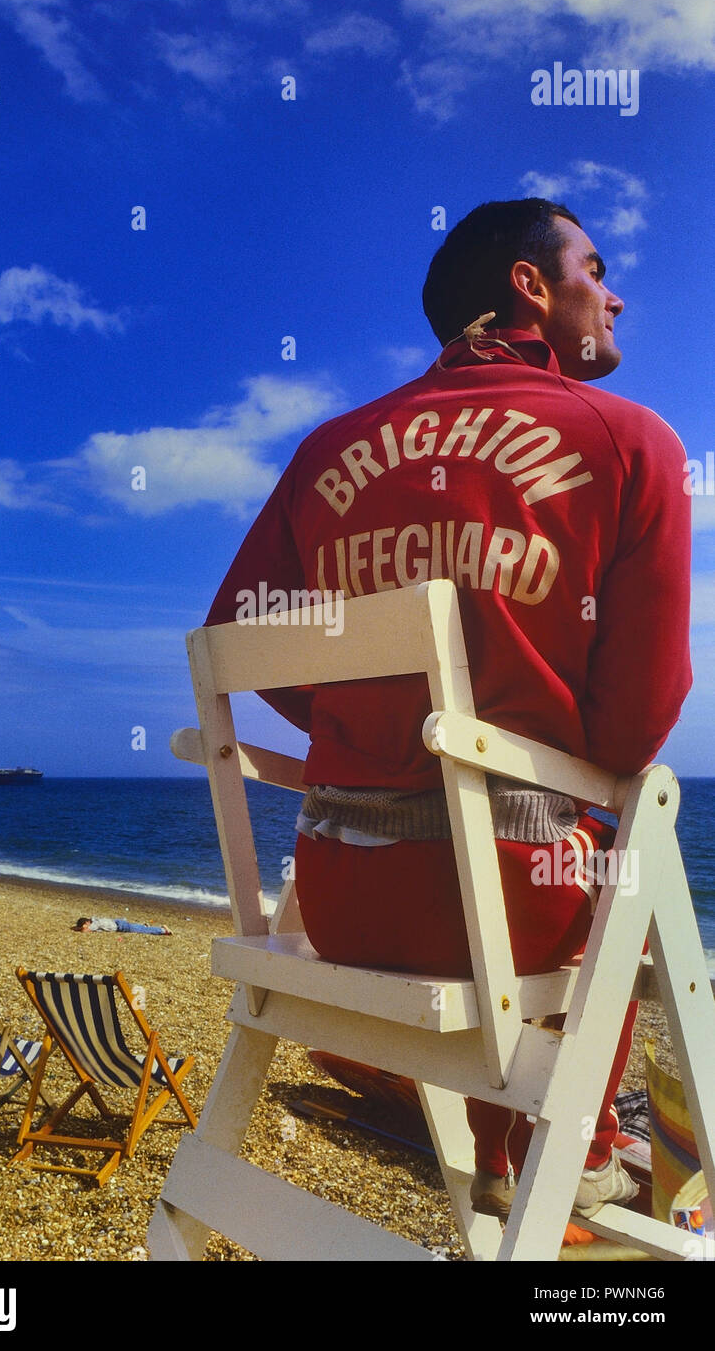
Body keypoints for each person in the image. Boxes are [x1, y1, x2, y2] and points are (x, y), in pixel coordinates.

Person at [206, 199, 692, 1219]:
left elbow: (242, 633)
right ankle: (587, 1143)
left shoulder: (325, 449)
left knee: (553, 852)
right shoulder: (629, 440)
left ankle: (506, 1149)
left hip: (340, 901)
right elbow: (634, 730)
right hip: (516, 909)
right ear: (528, 285)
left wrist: (373, 727)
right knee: (624, 853)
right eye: (592, 269)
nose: (612, 293)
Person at [74, 916, 172, 935]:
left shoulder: (94, 923)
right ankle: (145, 925)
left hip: (120, 926)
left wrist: (81, 929)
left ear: (86, 923)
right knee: (137, 928)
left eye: (84, 925)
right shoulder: (95, 919)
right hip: (118, 923)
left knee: (141, 931)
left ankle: (163, 930)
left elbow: (85, 931)